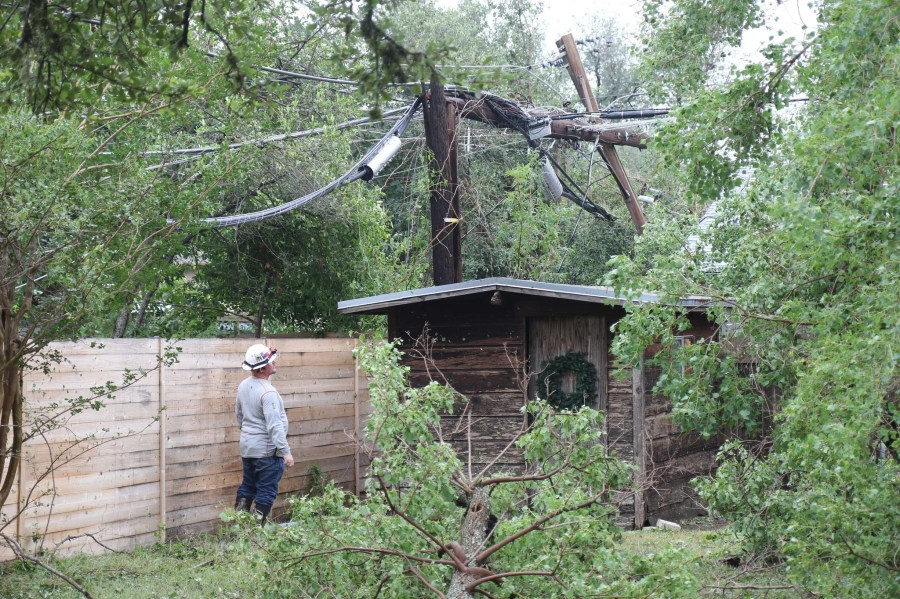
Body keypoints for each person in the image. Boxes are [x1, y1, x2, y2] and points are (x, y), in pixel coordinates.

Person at [234, 344, 294, 525]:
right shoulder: (268, 393)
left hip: (248, 448)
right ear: (261, 368)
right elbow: (275, 426)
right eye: (271, 361)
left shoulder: (243, 385)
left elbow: (239, 415)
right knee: (266, 491)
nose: (275, 363)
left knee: (248, 486)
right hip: (267, 452)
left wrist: (249, 435)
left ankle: (241, 528)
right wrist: (285, 452)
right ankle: (256, 530)